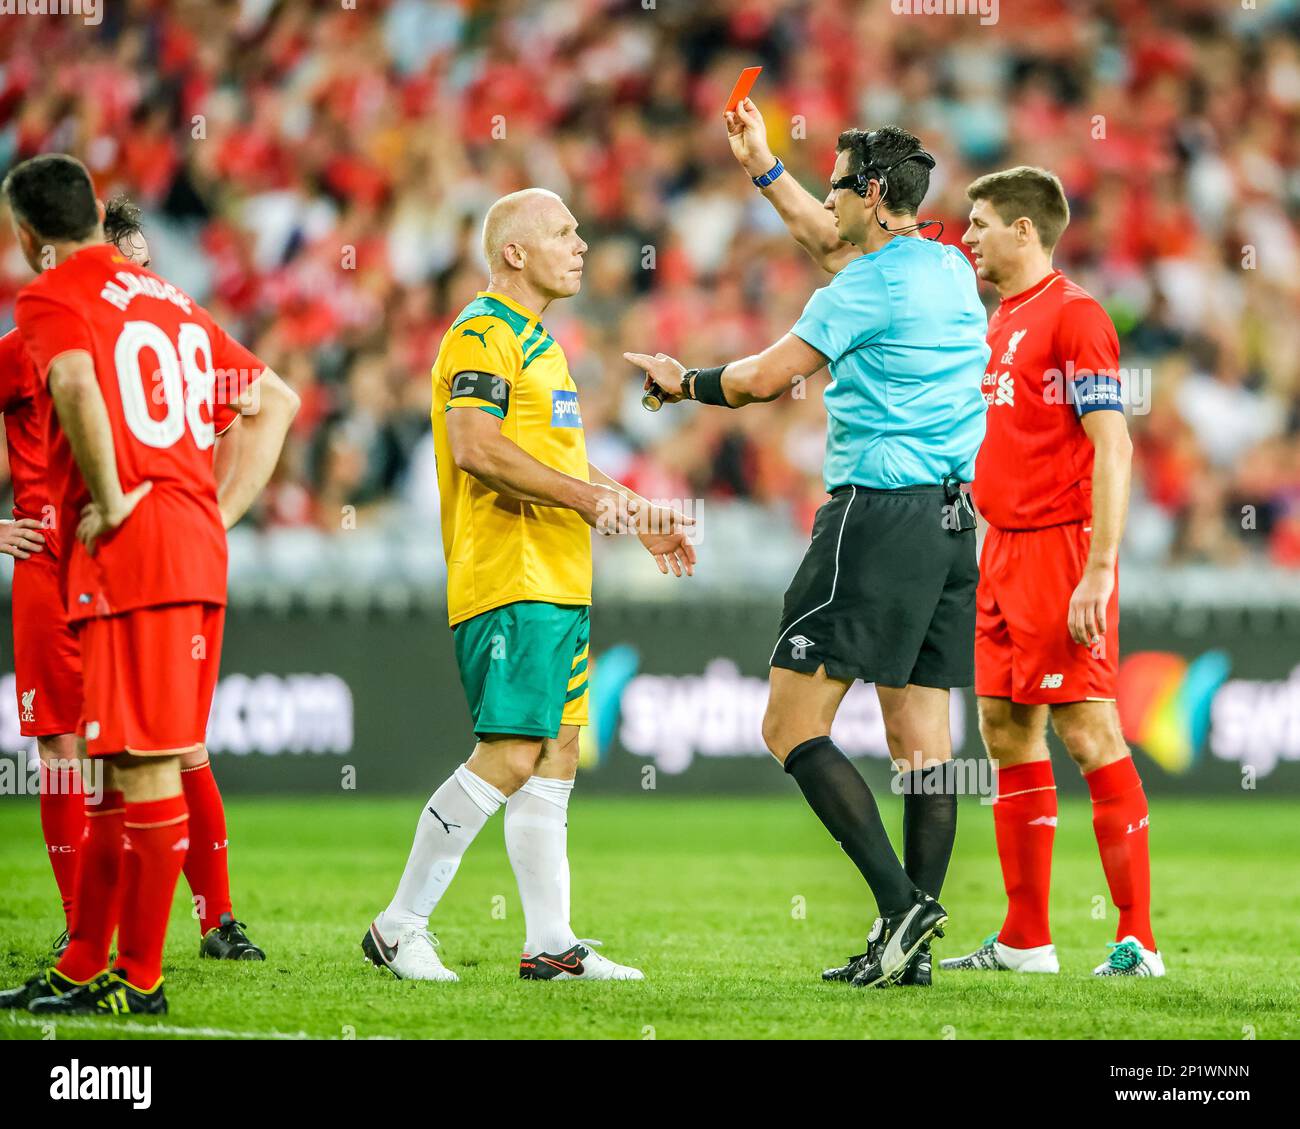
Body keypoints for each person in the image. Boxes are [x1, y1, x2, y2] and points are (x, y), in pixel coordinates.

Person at [626, 106, 988, 988]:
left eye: (834, 183)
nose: (825, 197)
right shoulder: (946, 268)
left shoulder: (860, 287)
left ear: (869, 195)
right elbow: (836, 244)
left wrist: (686, 384)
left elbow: (763, 379)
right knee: (924, 743)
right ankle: (911, 951)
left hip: (876, 514)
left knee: (788, 724)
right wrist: (764, 168)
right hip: (953, 523)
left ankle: (900, 907)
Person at [362, 187, 694, 983]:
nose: (582, 243)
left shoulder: (542, 344)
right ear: (515, 251)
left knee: (557, 751)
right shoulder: (481, 333)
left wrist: (641, 511)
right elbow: (475, 446)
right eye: (564, 231)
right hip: (509, 572)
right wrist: (590, 501)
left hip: (559, 574)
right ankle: (397, 924)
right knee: (511, 751)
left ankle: (552, 944)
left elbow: (564, 463)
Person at [0, 154, 297, 1016]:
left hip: (135, 554)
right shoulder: (168, 298)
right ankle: (86, 960)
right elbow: (273, 400)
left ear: (28, 235)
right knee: (121, 763)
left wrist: (117, 494)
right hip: (181, 549)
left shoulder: (53, 295)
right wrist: (219, 511)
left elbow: (76, 383)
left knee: (144, 767)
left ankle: (137, 980)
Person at [941, 166, 1162, 978]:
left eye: (980, 222)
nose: (968, 236)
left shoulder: (1077, 317)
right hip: (998, 548)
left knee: (1089, 728)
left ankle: (1136, 940)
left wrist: (1099, 568)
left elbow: (1114, 443)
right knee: (1003, 728)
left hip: (1061, 547)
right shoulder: (1001, 320)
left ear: (1024, 230)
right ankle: (1026, 939)